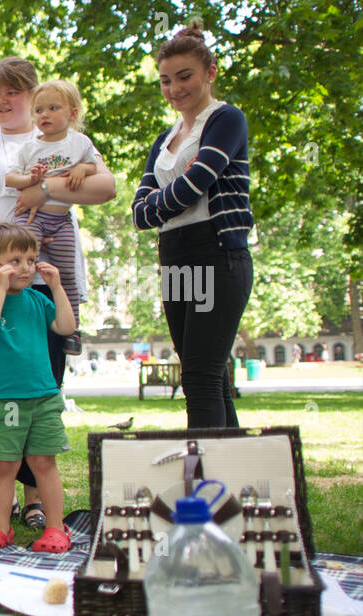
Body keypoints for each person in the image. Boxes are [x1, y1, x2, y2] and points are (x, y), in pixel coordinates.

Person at [0, 56, 116, 531]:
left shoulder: (66, 138)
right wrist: (8, 239)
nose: (2, 101)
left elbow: (106, 187)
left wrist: (48, 191)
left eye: (12, 92)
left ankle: (36, 498)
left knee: (43, 379)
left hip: (45, 278)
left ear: (36, 97)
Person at [132, 27, 253, 429]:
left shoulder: (226, 119)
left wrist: (159, 202)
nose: (174, 88)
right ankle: (231, 476)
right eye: (165, 80)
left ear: (210, 73)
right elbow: (138, 214)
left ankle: (203, 483)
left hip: (217, 253)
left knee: (199, 378)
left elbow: (196, 183)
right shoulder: (165, 139)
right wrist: (165, 198)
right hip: (175, 258)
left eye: (184, 76)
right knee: (207, 377)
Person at [0, 224, 74, 554]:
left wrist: (56, 287)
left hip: (43, 396)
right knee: (4, 467)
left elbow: (67, 327)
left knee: (44, 463)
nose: (27, 267)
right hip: (4, 400)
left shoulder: (38, 300)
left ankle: (56, 528)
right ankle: (1, 529)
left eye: (31, 259)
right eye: (16, 260)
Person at [4, 80, 100, 355]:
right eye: (39, 110)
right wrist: (29, 179)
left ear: (72, 113)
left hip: (61, 220)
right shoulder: (29, 147)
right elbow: (10, 177)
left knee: (67, 272)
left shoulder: (80, 142)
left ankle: (73, 330)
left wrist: (83, 167)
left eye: (53, 108)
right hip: (31, 219)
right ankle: (17, 319)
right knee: (21, 267)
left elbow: (95, 167)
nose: (44, 115)